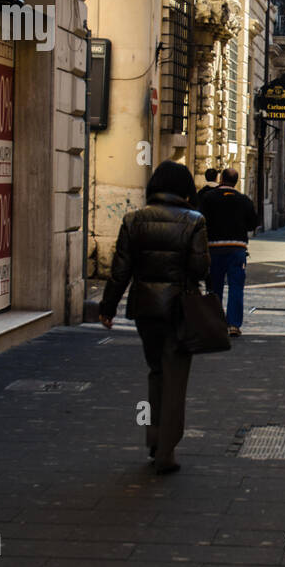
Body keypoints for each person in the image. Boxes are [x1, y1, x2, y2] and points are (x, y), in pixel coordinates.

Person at [99, 160, 209, 475]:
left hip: (145, 310)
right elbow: (201, 269)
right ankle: (166, 449)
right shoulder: (195, 221)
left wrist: (107, 308)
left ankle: (152, 436)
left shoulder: (134, 220)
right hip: (179, 310)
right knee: (175, 379)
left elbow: (120, 270)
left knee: (156, 373)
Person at [199, 167, 257, 339]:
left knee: (215, 288)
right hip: (237, 249)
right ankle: (233, 324)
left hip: (214, 248)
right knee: (236, 287)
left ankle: (214, 323)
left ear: (221, 179)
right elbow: (253, 223)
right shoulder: (244, 200)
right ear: (236, 181)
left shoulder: (209, 198)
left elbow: (200, 221)